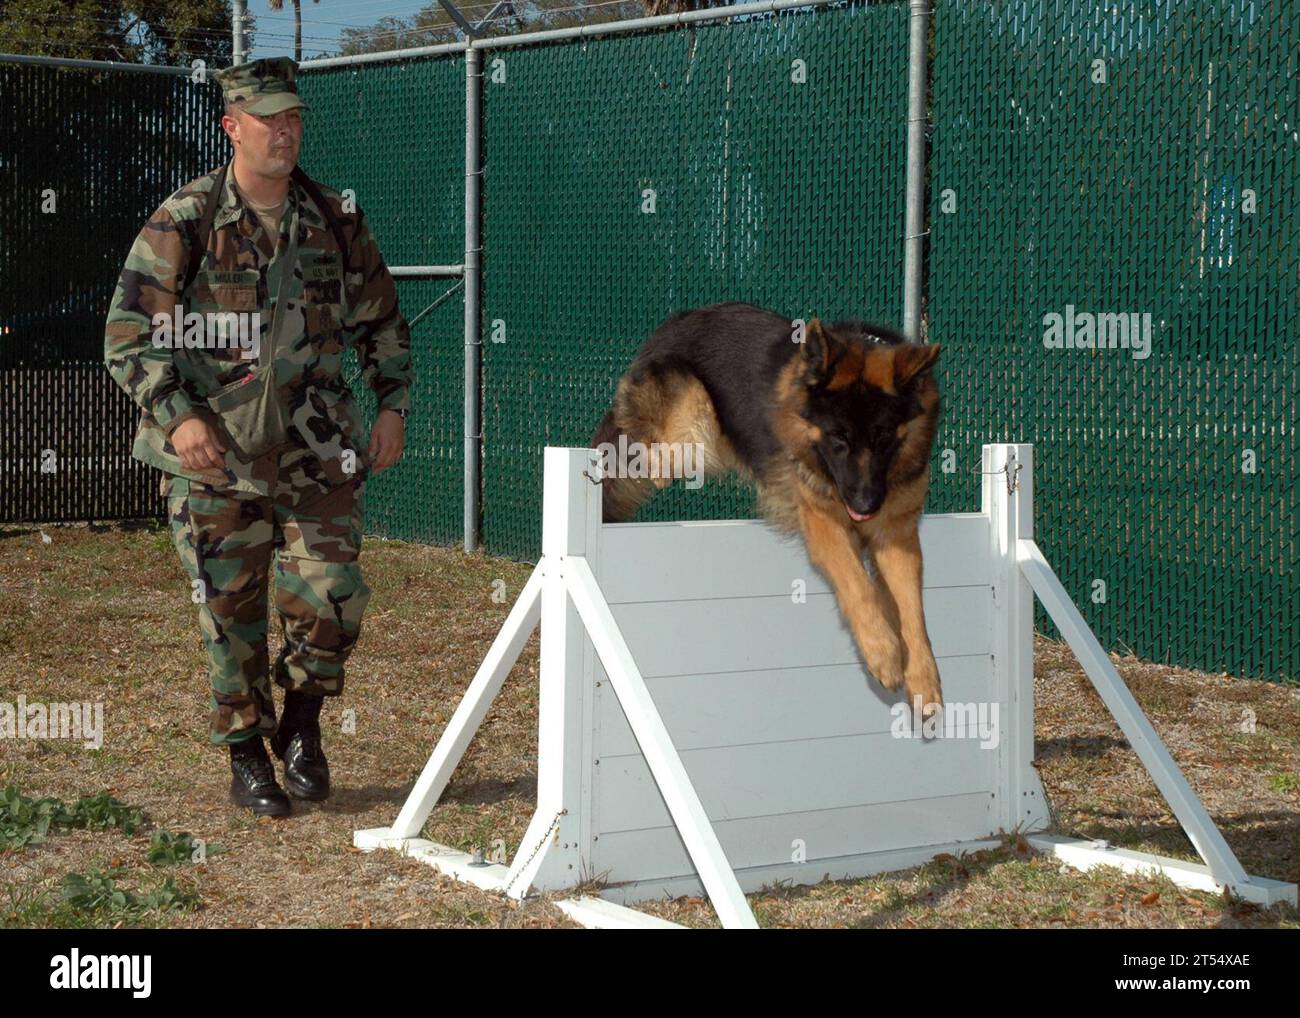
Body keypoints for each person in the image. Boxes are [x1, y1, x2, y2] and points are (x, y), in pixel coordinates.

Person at [103, 57, 413, 817]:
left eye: (294, 118)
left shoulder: (336, 217)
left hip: (318, 450)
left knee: (333, 596)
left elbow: (382, 321)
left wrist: (393, 405)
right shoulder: (187, 219)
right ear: (231, 125)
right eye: (269, 119)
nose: (285, 132)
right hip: (218, 458)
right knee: (228, 613)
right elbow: (127, 335)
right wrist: (179, 417)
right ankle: (247, 755)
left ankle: (302, 726)